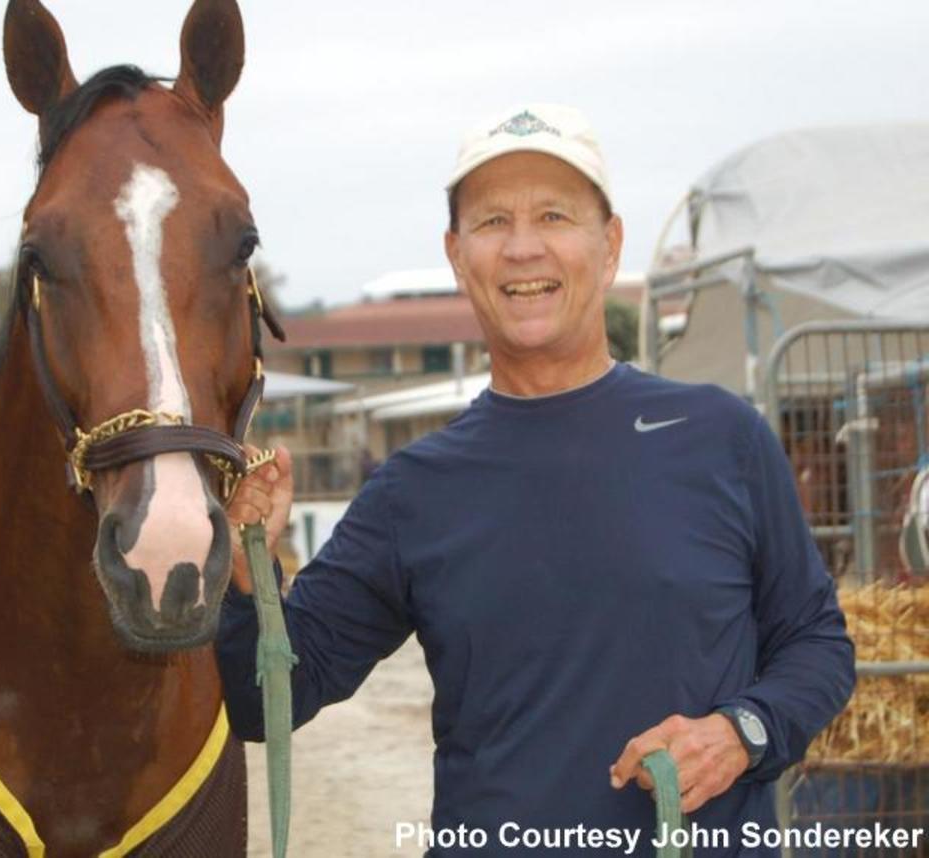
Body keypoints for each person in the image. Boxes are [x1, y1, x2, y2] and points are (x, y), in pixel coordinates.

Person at [216, 103, 854, 856]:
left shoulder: (722, 437)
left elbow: (817, 644)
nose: (523, 248)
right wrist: (238, 571)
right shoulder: (412, 491)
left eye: (554, 215)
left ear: (609, 245)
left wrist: (742, 733)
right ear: (457, 255)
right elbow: (266, 700)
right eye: (492, 223)